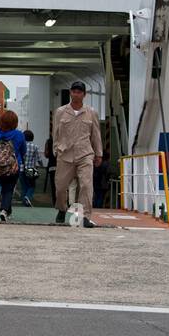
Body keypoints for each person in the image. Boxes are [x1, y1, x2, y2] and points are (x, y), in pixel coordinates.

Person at [52, 81, 103, 228]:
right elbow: (56, 132)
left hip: (85, 154)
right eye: (74, 91)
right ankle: (62, 209)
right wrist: (56, 149)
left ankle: (85, 216)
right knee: (61, 187)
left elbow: (96, 135)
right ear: (70, 93)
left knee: (86, 185)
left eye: (79, 91)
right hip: (65, 154)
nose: (76, 94)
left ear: (84, 94)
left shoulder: (91, 112)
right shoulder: (61, 112)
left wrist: (98, 153)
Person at [21, 129, 42, 207]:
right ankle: (28, 197)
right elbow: (39, 159)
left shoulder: (21, 146)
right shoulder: (35, 146)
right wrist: (41, 165)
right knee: (32, 186)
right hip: (30, 169)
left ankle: (24, 202)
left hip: (21, 169)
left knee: (24, 186)